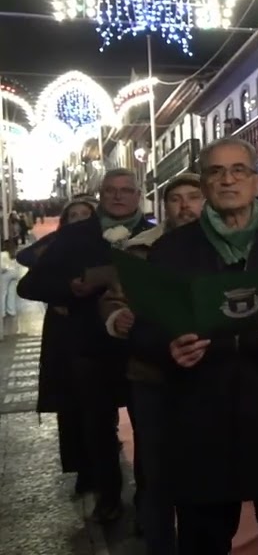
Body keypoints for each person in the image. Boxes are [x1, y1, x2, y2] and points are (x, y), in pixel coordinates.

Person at [128, 138, 258, 555]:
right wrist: (168, 347)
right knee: (203, 542)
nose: (228, 179)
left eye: (239, 170)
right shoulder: (171, 251)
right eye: (216, 172)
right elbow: (143, 330)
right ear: (206, 183)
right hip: (201, 422)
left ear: (255, 182)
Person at [18, 170, 153, 521]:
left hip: (142, 346)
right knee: (96, 427)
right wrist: (71, 287)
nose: (119, 197)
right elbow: (29, 286)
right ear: (101, 195)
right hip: (90, 348)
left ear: (138, 196)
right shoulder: (75, 236)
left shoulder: (155, 235)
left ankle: (147, 501)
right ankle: (108, 496)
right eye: (111, 191)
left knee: (148, 427)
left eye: (126, 191)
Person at [102, 172, 204, 551]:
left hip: (206, 375)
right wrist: (117, 317)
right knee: (156, 469)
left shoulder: (221, 245)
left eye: (193, 197)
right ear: (164, 206)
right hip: (151, 377)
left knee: (200, 468)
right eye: (176, 199)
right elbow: (114, 297)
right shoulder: (139, 250)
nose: (185, 206)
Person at [28, 199, 97, 493]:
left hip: (97, 332)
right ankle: (81, 466)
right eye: (74, 215)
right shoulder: (56, 247)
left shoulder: (104, 245)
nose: (80, 219)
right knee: (70, 401)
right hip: (64, 335)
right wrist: (63, 294)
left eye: (86, 214)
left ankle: (101, 465)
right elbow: (28, 269)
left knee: (98, 405)